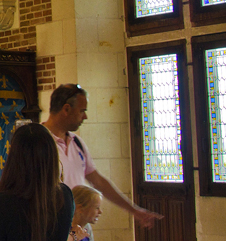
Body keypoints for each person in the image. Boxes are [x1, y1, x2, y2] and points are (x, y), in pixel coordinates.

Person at [42, 84, 160, 225]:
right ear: (66, 109)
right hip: (54, 225)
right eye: (82, 111)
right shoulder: (40, 141)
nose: (85, 116)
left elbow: (98, 181)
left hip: (81, 225)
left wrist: (133, 210)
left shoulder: (76, 142)